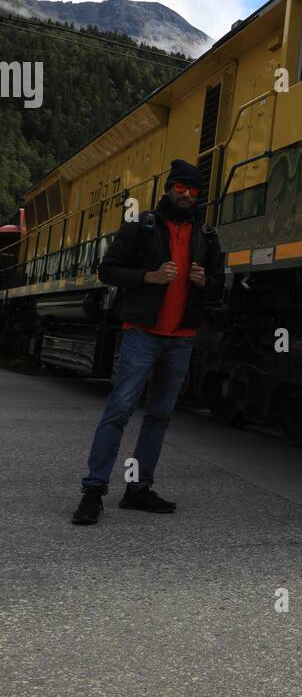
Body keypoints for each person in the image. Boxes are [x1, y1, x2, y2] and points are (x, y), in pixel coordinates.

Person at [71, 159, 224, 525]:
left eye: (193, 191)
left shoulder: (208, 236)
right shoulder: (142, 226)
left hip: (181, 340)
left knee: (159, 416)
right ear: (168, 189)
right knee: (119, 411)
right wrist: (149, 277)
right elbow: (107, 270)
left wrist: (207, 282)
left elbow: (220, 286)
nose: (186, 195)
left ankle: (138, 489)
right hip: (143, 334)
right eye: (180, 188)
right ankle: (93, 491)